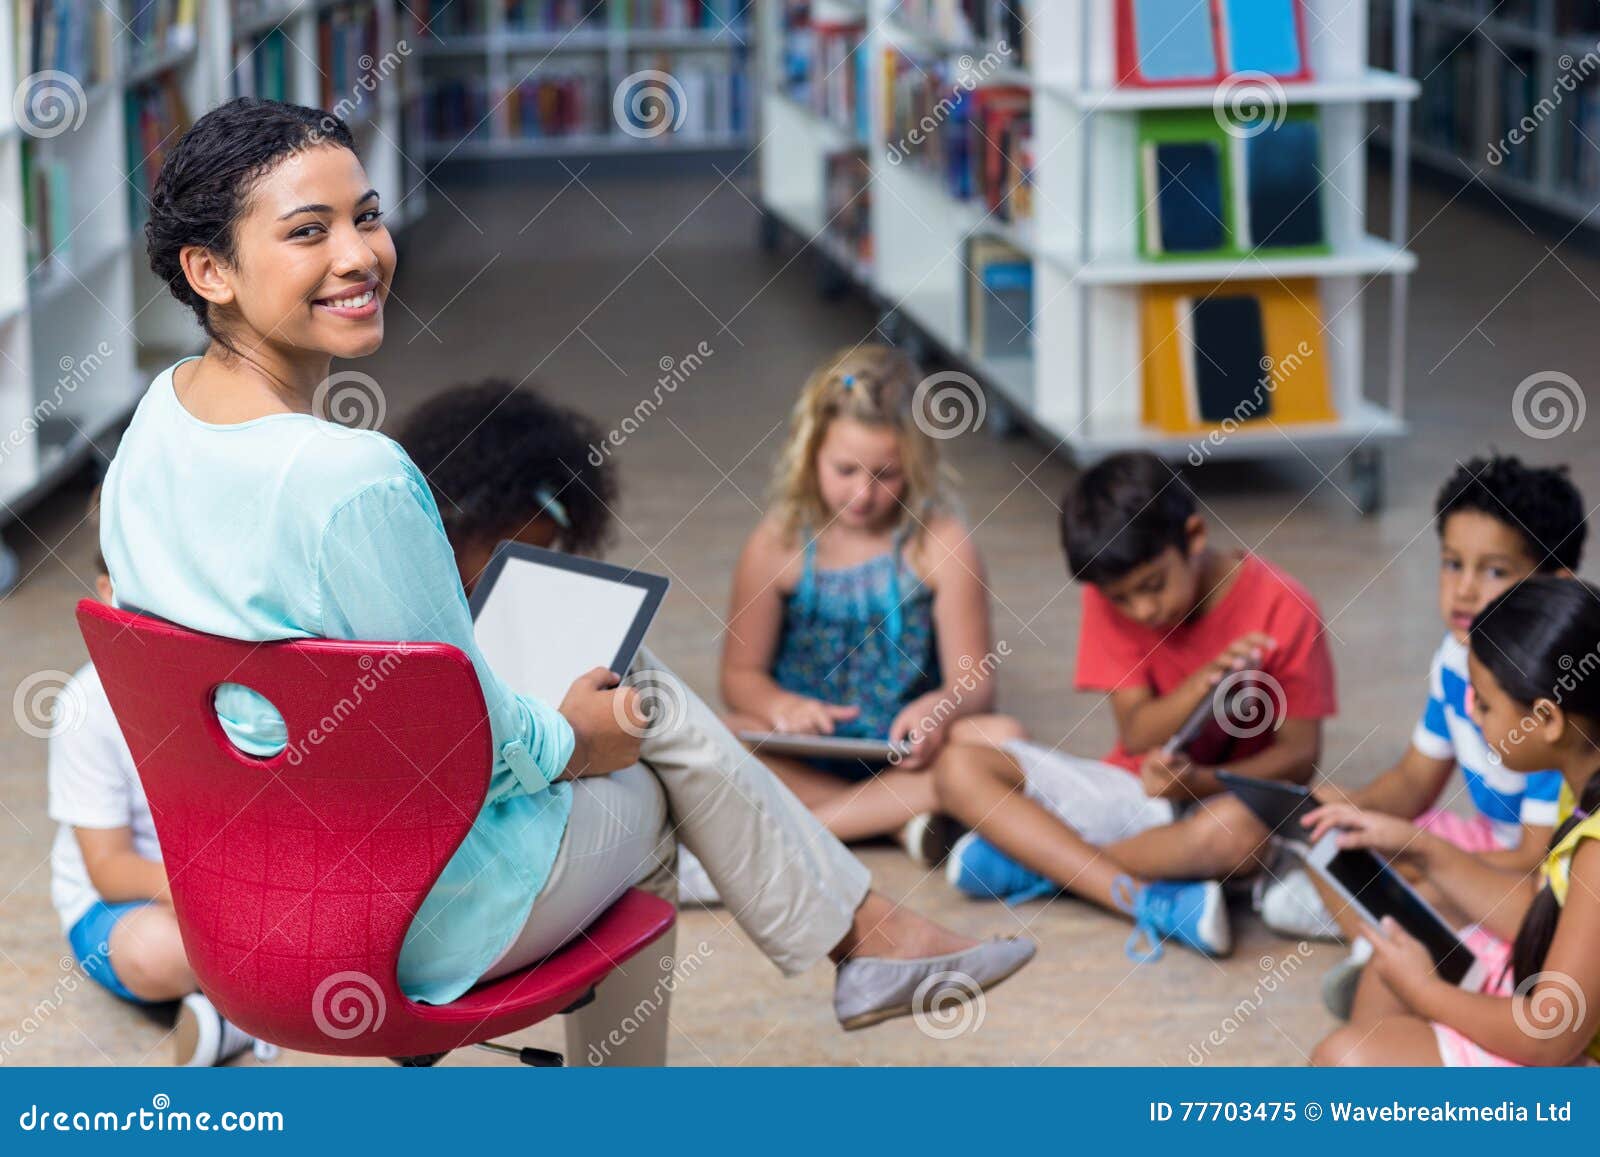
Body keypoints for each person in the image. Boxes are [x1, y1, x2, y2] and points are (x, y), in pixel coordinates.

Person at [100, 100, 1033, 1060]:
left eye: (366, 216)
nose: (360, 255)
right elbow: (460, 744)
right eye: (308, 231)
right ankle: (809, 975)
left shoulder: (150, 434)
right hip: (401, 915)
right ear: (207, 270)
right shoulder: (355, 479)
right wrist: (576, 740)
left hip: (246, 900)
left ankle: (866, 937)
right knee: (647, 747)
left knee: (635, 698)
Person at [935, 451, 1337, 960]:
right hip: (1134, 789)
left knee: (1239, 837)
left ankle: (1038, 864)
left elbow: (1300, 757)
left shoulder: (1285, 607)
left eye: (1152, 587)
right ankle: (1148, 898)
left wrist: (1200, 783)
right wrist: (1201, 685)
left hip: (1221, 803)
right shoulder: (1110, 591)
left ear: (1193, 537)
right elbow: (1137, 734)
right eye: (1122, 599)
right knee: (957, 767)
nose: (1143, 610)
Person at [1259, 456, 1585, 1016]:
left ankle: (1381, 956)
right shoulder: (1457, 659)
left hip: (1532, 872)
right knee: (1342, 829)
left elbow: (1535, 865)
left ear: (1553, 592)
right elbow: (1413, 780)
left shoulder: (1550, 706)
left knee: (1425, 886)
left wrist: (1422, 858)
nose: (1463, 590)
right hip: (1491, 842)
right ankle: (1381, 942)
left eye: (1495, 571)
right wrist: (1346, 813)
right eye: (1452, 563)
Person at [719, 345, 1025, 865]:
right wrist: (783, 707)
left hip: (906, 752)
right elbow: (739, 677)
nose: (863, 494)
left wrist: (938, 708)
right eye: (845, 470)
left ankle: (810, 827)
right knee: (719, 736)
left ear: (916, 464)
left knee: (1004, 741)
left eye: (886, 474)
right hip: (808, 746)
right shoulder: (777, 542)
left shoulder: (940, 543)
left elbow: (974, 682)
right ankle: (899, 819)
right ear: (810, 451)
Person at [1310, 577, 1600, 1067]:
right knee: (1392, 959)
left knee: (1347, 1058)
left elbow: (1549, 1038)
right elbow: (1549, 914)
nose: (1470, 711)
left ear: (1547, 719)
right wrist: (1423, 848)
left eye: (1484, 703)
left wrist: (1425, 991)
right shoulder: (1581, 771)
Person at [46, 492, 270, 1066]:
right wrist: (219, 902)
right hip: (128, 902)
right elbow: (111, 870)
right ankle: (253, 998)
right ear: (109, 596)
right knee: (152, 953)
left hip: (231, 881)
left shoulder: (233, 680)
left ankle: (236, 1008)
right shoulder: (86, 704)